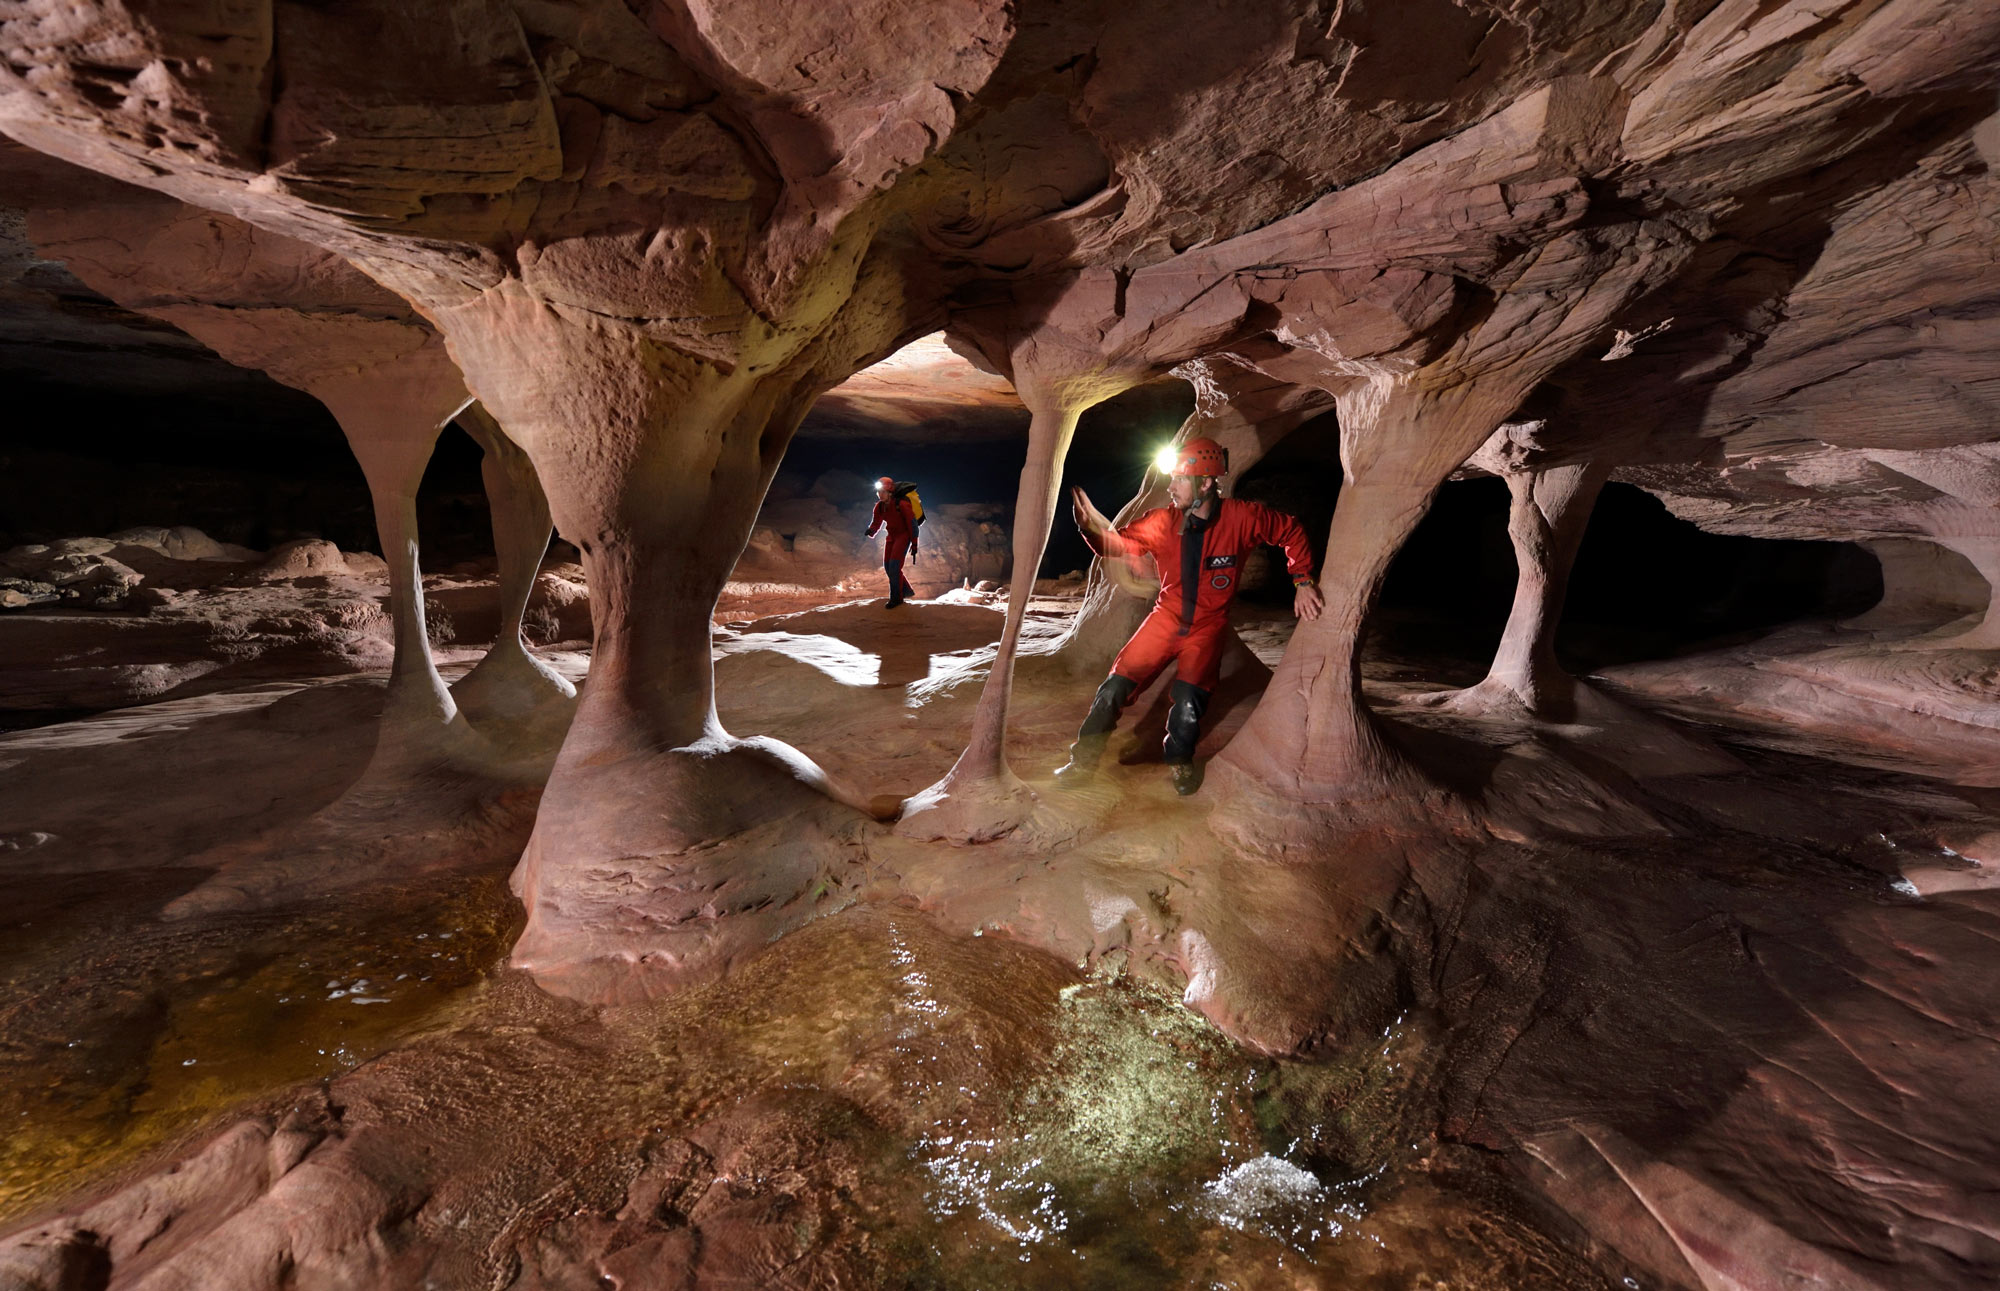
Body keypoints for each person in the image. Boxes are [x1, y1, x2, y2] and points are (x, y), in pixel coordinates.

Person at [1056, 436, 1324, 795]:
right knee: (1112, 690)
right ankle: (1081, 763)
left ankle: (1180, 761)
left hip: (1206, 627)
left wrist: (1302, 579)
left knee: (1188, 704)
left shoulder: (1242, 518)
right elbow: (1117, 545)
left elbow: (1289, 530)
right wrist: (1089, 527)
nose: (1172, 487)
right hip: (1165, 619)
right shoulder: (1162, 522)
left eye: (1180, 479)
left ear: (1207, 483)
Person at [865, 475, 919, 608]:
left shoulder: (902, 504)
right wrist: (871, 530)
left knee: (894, 567)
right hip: (891, 537)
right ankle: (906, 590)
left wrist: (914, 543)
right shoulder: (879, 506)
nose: (880, 495)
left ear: (890, 492)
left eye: (883, 492)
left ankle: (896, 598)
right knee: (888, 567)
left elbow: (912, 524)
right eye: (879, 492)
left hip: (903, 536)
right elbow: (876, 521)